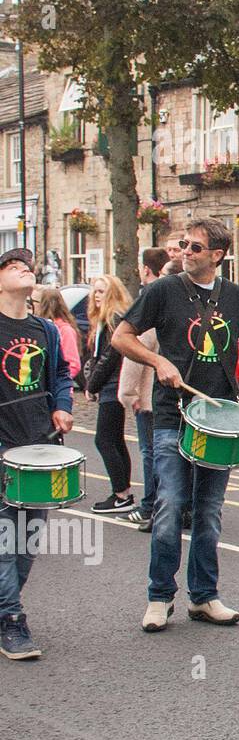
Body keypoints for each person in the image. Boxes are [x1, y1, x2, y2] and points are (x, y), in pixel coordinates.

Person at [114, 219, 239, 631]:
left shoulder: (236, 297)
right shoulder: (163, 290)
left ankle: (204, 597)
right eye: (183, 245)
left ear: (217, 255)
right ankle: (159, 597)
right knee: (169, 508)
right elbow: (121, 337)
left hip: (218, 417)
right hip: (172, 415)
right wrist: (158, 361)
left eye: (195, 247)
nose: (185, 252)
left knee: (209, 513)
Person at [0, 248, 75, 660]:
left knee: (27, 540)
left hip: (40, 445)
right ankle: (12, 620)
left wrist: (62, 405)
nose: (24, 268)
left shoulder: (44, 329)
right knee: (4, 537)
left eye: (27, 265)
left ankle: (5, 609)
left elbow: (62, 373)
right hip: (1, 445)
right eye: (13, 266)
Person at [115, 248, 167, 530]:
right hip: (166, 394)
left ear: (146, 270)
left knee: (151, 453)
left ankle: (150, 506)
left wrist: (128, 394)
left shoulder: (152, 300)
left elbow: (136, 349)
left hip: (149, 397)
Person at [84, 274, 134, 514]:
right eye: (94, 291)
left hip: (112, 386)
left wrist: (92, 384)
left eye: (101, 291)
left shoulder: (113, 320)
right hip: (111, 385)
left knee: (104, 440)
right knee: (115, 439)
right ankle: (123, 492)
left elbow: (108, 358)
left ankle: (121, 494)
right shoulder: (105, 320)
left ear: (112, 294)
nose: (96, 295)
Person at [32, 285, 82, 385]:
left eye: (33, 302)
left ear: (44, 304)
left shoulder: (64, 330)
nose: (30, 305)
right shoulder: (36, 327)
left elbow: (73, 365)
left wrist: (56, 383)